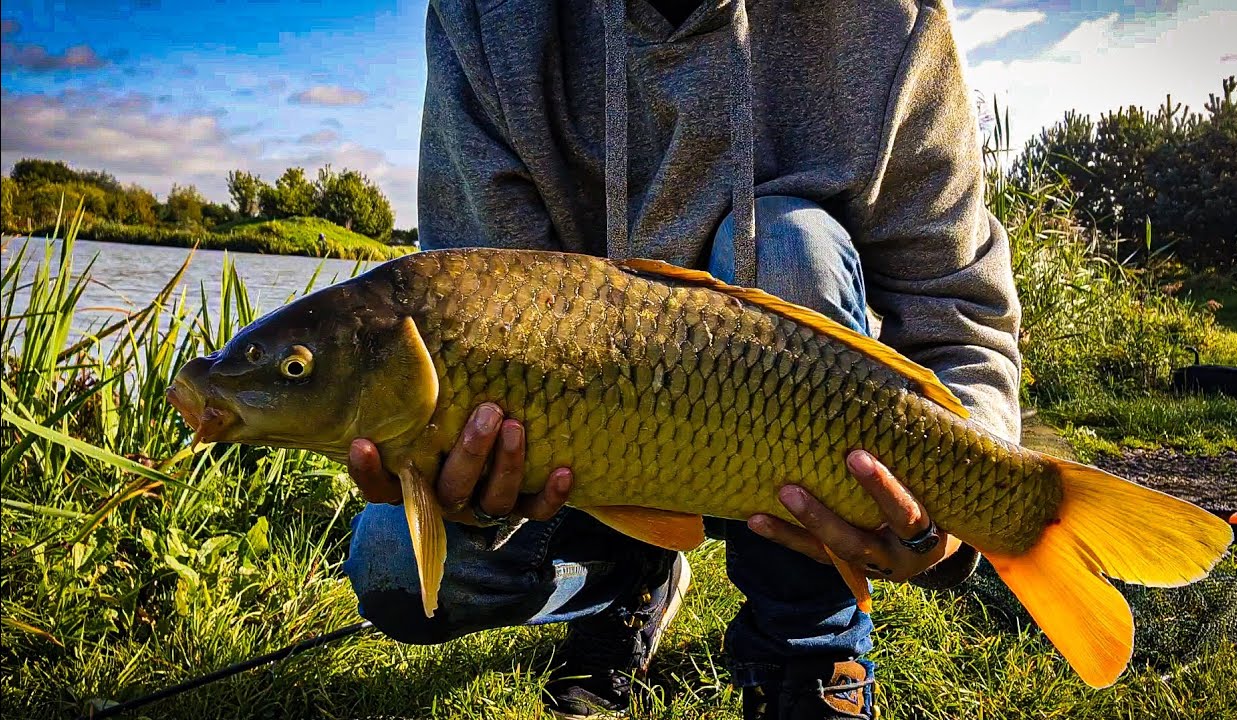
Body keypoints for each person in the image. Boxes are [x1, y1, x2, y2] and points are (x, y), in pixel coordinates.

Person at [342, 0, 1022, 718]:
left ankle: (812, 653)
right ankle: (624, 581)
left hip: (804, 439)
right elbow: (471, 302)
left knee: (792, 248)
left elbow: (958, 309)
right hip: (589, 448)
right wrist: (459, 461)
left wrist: (956, 507)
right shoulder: (487, 16)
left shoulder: (890, 18)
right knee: (394, 565)